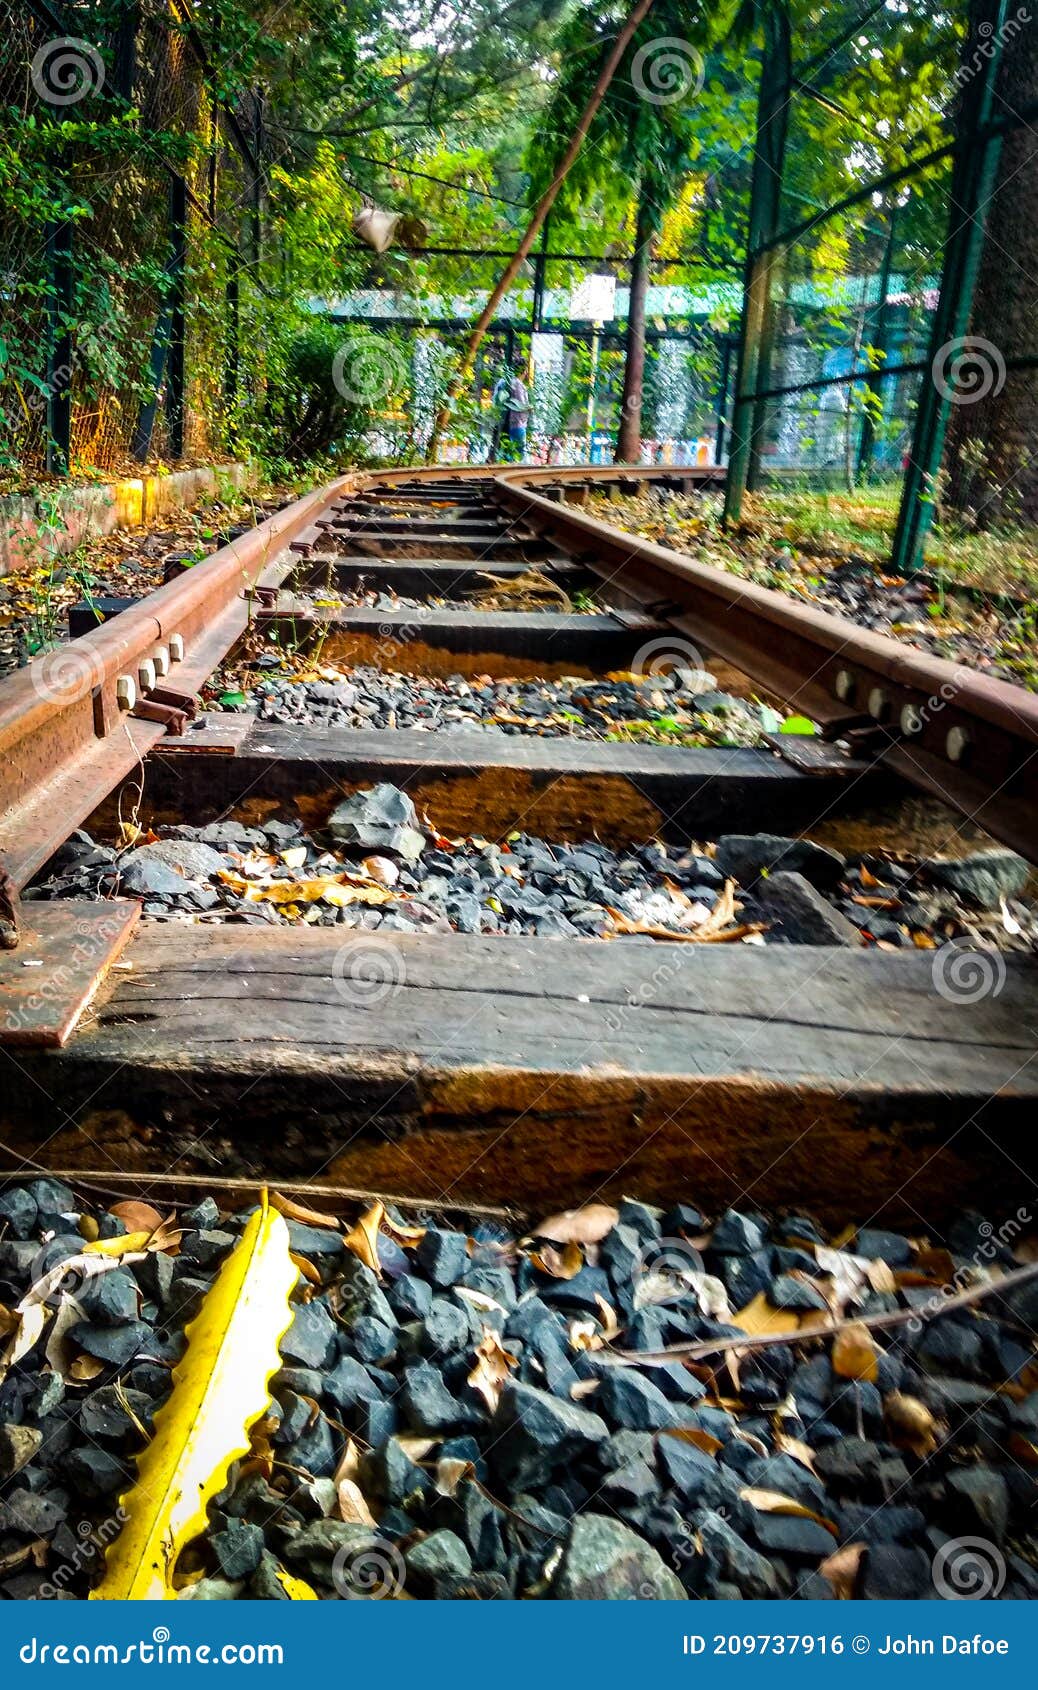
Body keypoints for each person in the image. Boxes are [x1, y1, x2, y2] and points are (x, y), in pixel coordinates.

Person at [492, 359, 530, 461]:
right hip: (516, 424)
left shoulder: (502, 381)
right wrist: (529, 410)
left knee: (502, 453)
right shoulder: (518, 384)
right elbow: (521, 405)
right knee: (518, 455)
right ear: (524, 371)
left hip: (500, 423)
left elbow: (495, 401)